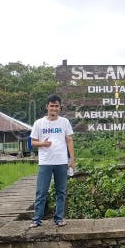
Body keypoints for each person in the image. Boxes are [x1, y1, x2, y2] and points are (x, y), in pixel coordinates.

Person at [29, 94, 75, 227]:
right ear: (47, 106)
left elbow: (69, 140)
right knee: (41, 191)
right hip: (45, 162)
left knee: (61, 192)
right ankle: (36, 219)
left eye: (56, 106)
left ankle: (59, 218)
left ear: (60, 107)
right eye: (51, 106)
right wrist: (43, 144)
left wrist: (72, 160)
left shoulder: (64, 122)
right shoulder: (39, 123)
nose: (54, 108)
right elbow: (32, 142)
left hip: (61, 161)